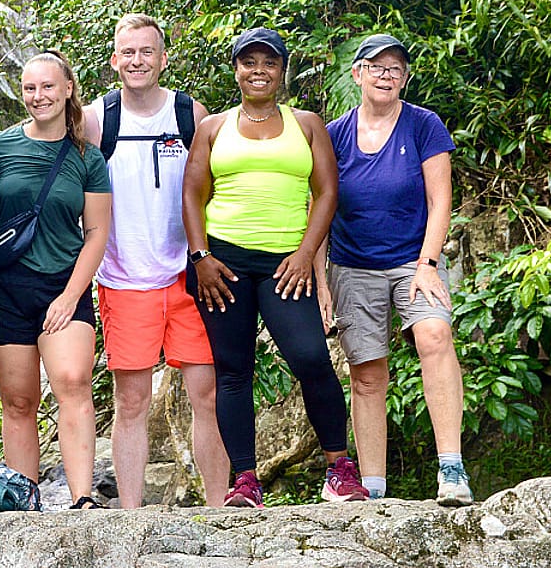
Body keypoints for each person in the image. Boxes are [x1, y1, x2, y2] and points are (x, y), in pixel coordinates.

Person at [181, 26, 366, 508]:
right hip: (224, 264)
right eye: (249, 62)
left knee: (311, 359)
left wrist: (306, 254)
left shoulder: (306, 124)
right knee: (234, 370)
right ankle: (245, 480)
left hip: (288, 262)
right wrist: (200, 257)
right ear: (236, 69)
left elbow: (327, 192)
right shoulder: (213, 128)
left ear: (282, 71)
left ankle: (339, 471)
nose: (258, 70)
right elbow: (192, 194)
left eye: (269, 63)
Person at [81, 13, 230, 508]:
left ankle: (217, 510)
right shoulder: (99, 119)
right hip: (124, 280)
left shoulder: (190, 114)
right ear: (114, 60)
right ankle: (130, 518)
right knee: (131, 403)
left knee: (205, 397)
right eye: (128, 52)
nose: (137, 61)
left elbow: (214, 187)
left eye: (147, 51)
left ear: (163, 59)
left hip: (189, 278)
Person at [318, 33, 472, 506]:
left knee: (434, 335)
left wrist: (428, 263)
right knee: (367, 372)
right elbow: (319, 206)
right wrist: (321, 281)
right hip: (351, 264)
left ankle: (452, 469)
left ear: (405, 78)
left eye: (396, 69)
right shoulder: (333, 134)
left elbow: (440, 198)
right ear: (357, 74)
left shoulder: (423, 125)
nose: (387, 76)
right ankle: (376, 487)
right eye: (377, 67)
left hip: (413, 258)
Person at [0, 50, 112, 509]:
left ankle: (83, 499)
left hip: (64, 284)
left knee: (73, 380)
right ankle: (22, 504)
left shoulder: (86, 158)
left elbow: (96, 232)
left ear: (68, 89)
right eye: (30, 88)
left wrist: (70, 295)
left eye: (48, 86)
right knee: (19, 402)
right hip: (5, 289)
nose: (39, 96)